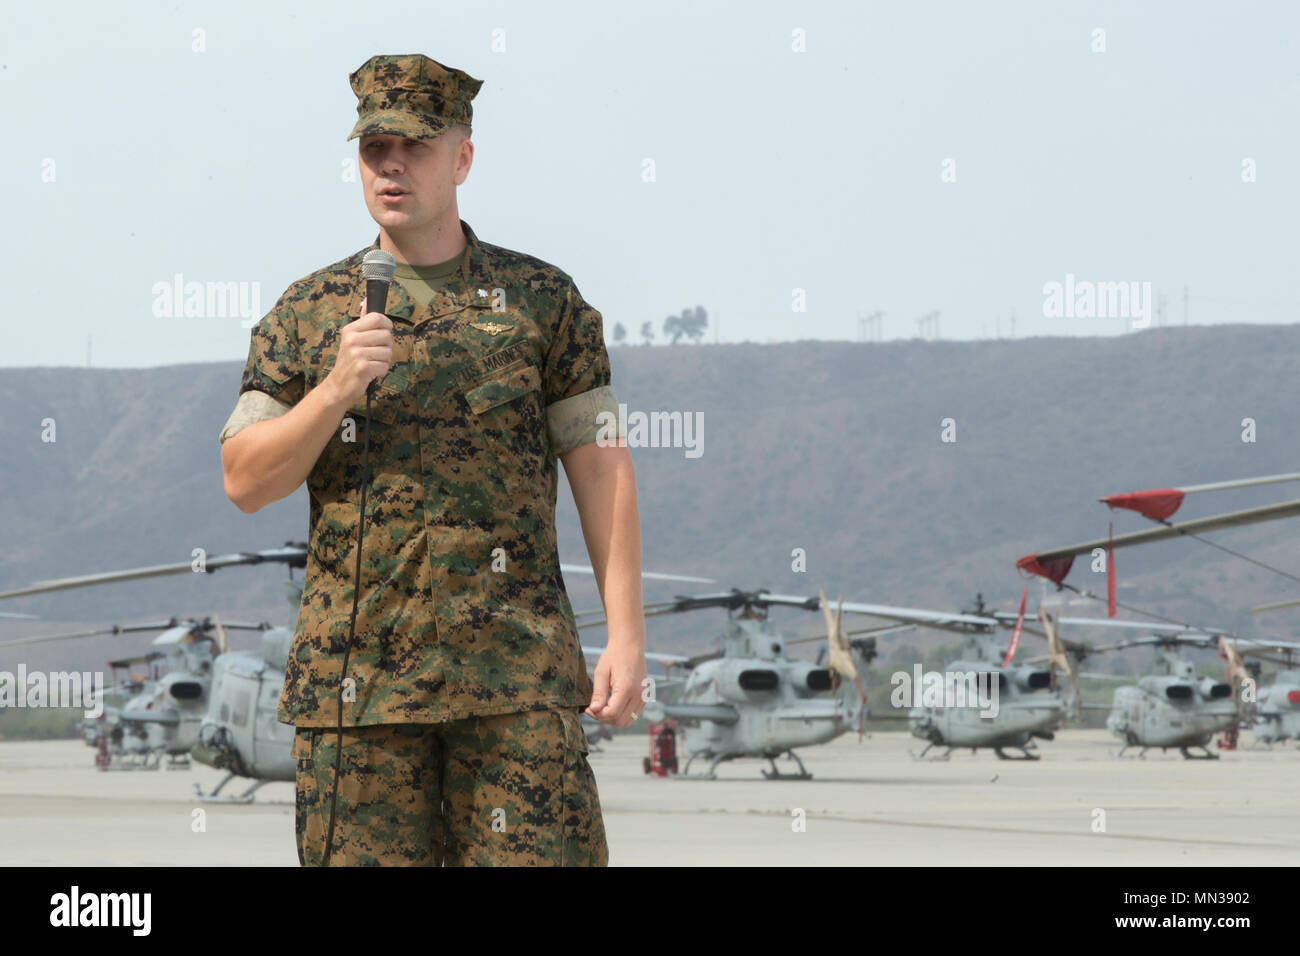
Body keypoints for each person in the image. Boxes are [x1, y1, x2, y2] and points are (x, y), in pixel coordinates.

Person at [218, 53, 646, 866]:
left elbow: (601, 468)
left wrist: (626, 635)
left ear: (462, 158)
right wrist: (336, 387)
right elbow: (246, 479)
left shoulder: (543, 302)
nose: (392, 165)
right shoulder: (307, 315)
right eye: (375, 148)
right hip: (359, 698)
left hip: (514, 687)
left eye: (414, 146)